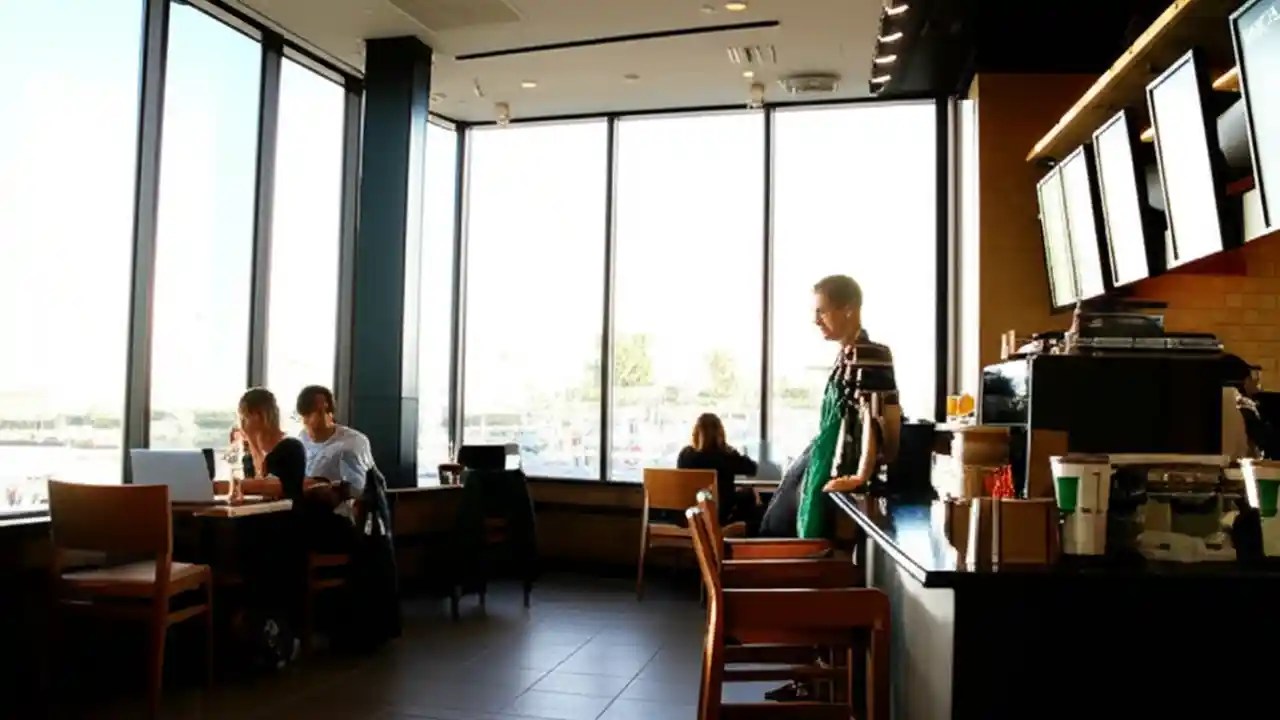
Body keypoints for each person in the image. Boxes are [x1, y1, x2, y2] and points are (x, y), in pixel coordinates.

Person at [760, 274, 901, 702]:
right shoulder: (846, 354)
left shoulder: (868, 353)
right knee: (814, 577)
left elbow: (879, 422)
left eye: (821, 310)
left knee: (824, 578)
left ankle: (822, 682)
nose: (815, 320)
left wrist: (859, 477)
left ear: (848, 310)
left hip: (842, 486)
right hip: (828, 476)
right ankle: (813, 677)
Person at [294, 385, 377, 551]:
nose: (321, 417)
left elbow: (359, 491)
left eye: (324, 410)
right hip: (308, 514)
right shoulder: (301, 441)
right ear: (303, 416)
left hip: (340, 521)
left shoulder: (352, 442)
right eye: (314, 412)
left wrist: (330, 490)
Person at [677, 413, 760, 530]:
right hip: (721, 515)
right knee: (749, 494)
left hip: (691, 515)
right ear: (720, 434)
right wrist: (732, 450)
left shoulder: (685, 455)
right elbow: (752, 469)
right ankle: (743, 537)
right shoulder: (726, 456)